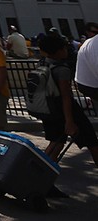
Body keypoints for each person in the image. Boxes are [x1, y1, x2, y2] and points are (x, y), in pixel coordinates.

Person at [36, 34, 98, 166]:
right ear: (58, 51)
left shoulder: (42, 64)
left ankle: (39, 170)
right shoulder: (62, 70)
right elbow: (66, 96)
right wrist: (69, 121)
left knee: (56, 142)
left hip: (49, 109)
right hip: (67, 111)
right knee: (91, 140)